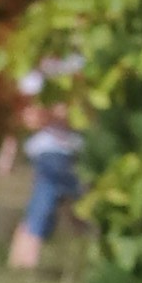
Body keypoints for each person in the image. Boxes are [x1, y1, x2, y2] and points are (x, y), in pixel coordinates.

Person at [11, 52, 87, 267]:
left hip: (76, 149)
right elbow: (28, 115)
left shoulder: (77, 63)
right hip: (51, 151)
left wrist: (55, 114)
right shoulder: (36, 70)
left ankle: (22, 264)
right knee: (44, 203)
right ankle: (23, 264)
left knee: (63, 206)